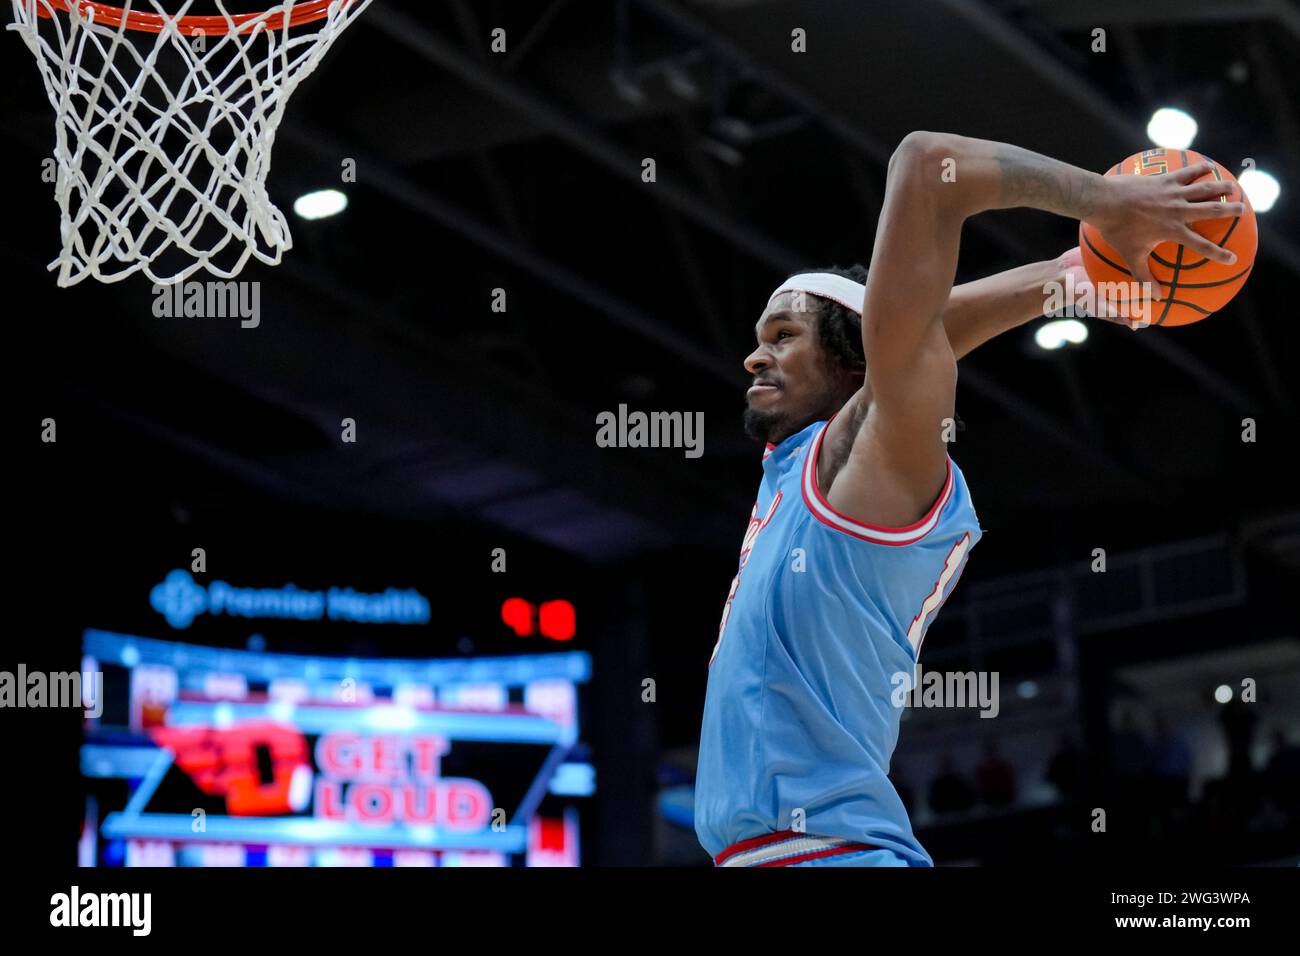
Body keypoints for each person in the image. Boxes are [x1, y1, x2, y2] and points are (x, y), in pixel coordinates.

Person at [694, 131, 1242, 867]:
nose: (754, 354)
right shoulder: (792, 472)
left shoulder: (870, 464)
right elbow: (914, 337)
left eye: (784, 335)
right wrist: (1064, 275)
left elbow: (925, 164)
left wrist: (1105, 202)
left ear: (855, 359)